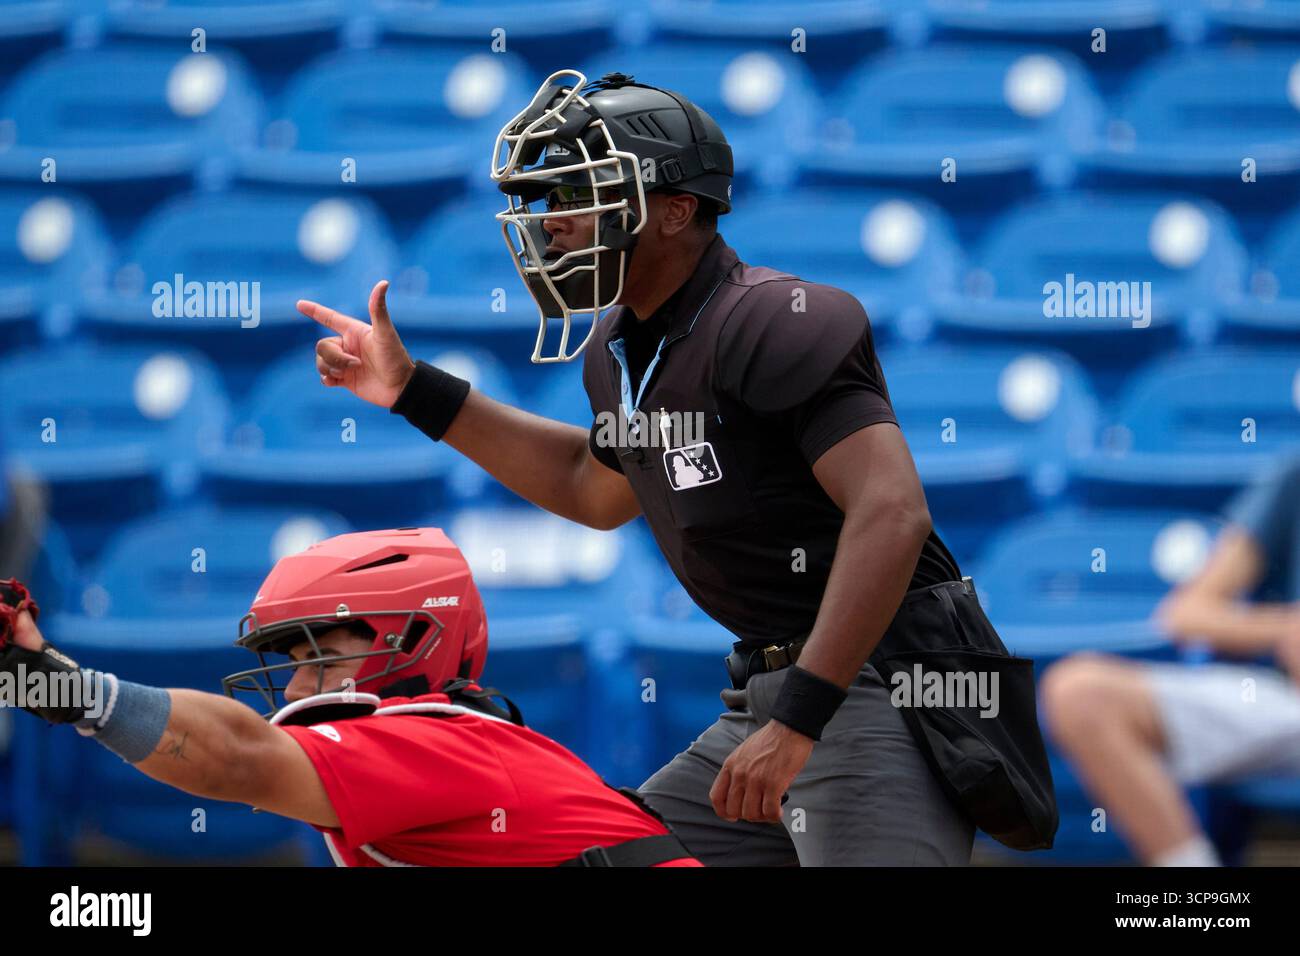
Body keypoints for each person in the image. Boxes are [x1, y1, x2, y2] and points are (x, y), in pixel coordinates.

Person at [300, 71, 1054, 865]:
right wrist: (413, 390)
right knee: (604, 859)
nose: (553, 224)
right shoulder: (621, 347)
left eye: (576, 197)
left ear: (675, 208)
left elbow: (893, 513)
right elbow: (591, 488)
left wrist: (799, 720)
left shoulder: (772, 317)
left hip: (876, 685)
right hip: (775, 692)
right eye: (548, 201)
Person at [0, 527, 699, 867]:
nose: (298, 686)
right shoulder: (468, 742)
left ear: (416, 641)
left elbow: (235, 757)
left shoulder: (435, 738)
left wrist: (64, 688)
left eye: (323, 658)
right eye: (295, 662)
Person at [1042, 456, 1300, 866]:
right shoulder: (1294, 477)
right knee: (1081, 693)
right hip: (1287, 703)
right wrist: (1284, 627)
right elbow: (1187, 613)